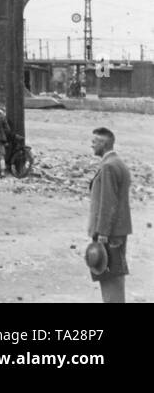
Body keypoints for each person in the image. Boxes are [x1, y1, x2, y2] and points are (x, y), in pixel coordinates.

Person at [87, 127, 132, 304]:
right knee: (115, 277)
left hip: (109, 233)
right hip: (117, 230)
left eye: (94, 141)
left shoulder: (108, 166)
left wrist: (103, 234)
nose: (91, 145)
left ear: (104, 144)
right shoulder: (117, 162)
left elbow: (108, 202)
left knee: (109, 279)